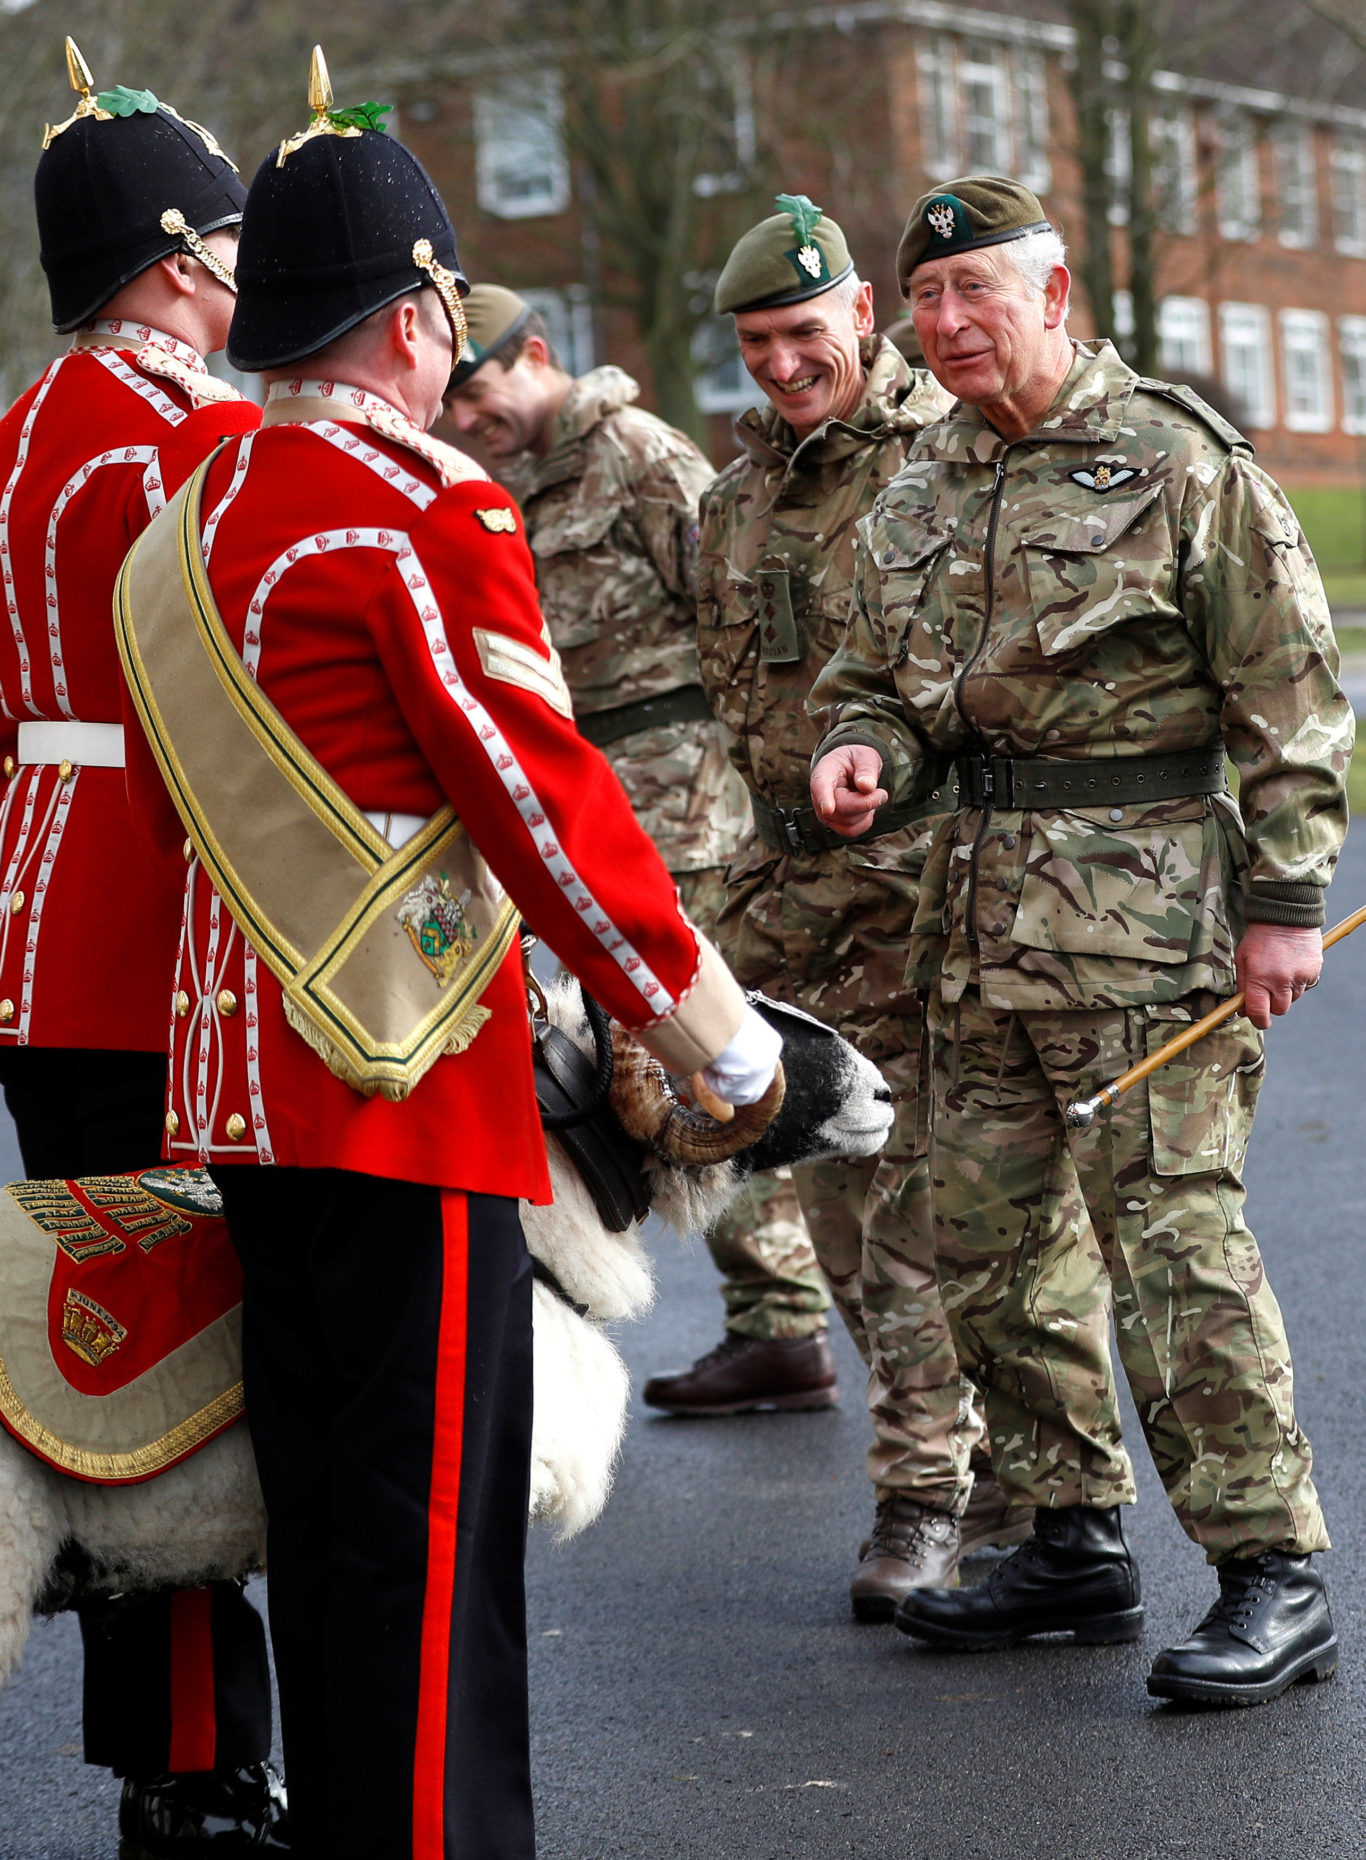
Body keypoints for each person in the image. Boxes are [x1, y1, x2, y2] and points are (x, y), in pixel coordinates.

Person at [116, 54, 785, 1858]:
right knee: (425, 1552)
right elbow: (538, 797)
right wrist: (708, 1029)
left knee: (328, 1526)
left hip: (244, 1084)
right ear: (415, 311)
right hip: (401, 1084)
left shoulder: (183, 526)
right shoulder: (416, 508)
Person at [810, 173, 1351, 1705]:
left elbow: (1292, 703)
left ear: (1052, 298)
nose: (944, 323)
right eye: (923, 300)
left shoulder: (1179, 461)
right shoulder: (919, 484)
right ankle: (1068, 1540)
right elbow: (874, 679)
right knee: (982, 1251)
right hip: (969, 933)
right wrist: (859, 751)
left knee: (1175, 1256)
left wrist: (1283, 904)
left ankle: (1272, 1573)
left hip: (1145, 938)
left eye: (974, 292)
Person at [0, 41, 284, 1854]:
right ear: (180, 259)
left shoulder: (20, 429)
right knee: (176, 1371)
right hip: (156, 938)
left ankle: (163, 1755)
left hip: (31, 921)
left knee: (86, 1347)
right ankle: (194, 1765)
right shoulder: (201, 441)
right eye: (235, 242)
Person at [695, 191, 1030, 1618]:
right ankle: (987, 1490)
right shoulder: (733, 493)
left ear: (860, 315)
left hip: (918, 884)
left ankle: (935, 1502)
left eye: (800, 332)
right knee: (832, 1209)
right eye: (755, 342)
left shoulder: (945, 462)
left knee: (930, 1216)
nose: (778, 363)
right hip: (780, 900)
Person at [445, 289, 838, 1413]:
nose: (466, 417)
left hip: (679, 811)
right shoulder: (491, 484)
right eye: (453, 400)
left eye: (480, 393)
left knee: (704, 1061)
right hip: (566, 811)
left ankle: (782, 1324)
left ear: (537, 355)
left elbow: (736, 625)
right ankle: (751, 1313)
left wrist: (757, 785)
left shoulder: (638, 456)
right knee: (603, 1074)